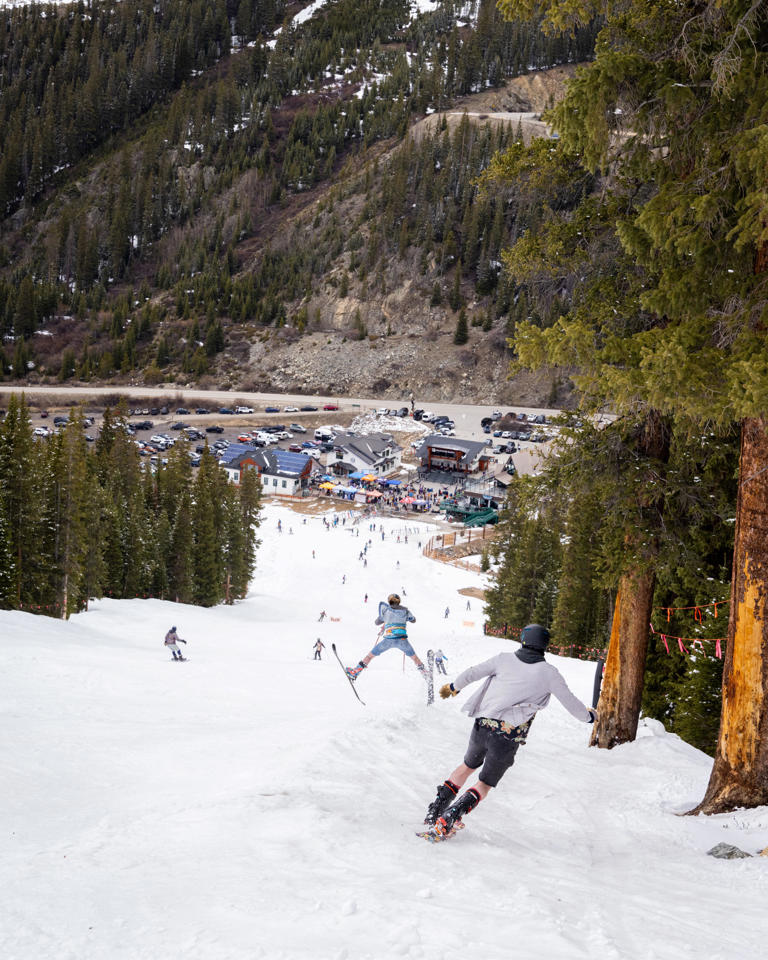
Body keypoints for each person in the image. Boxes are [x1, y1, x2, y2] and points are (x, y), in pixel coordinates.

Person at [421, 624, 596, 840]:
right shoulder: (549, 673)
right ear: (545, 645)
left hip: (483, 726)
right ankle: (449, 817)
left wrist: (453, 687)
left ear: (523, 639)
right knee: (484, 784)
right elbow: (571, 703)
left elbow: (472, 673)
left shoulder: (503, 659)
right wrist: (589, 717)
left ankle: (435, 811)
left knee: (467, 766)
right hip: (507, 737)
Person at [346, 594, 426, 680]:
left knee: (369, 656)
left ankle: (355, 672)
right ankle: (425, 674)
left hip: (388, 640)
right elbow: (413, 620)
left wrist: (386, 619)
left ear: (389, 601)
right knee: (415, 658)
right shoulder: (405, 611)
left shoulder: (386, 610)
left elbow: (376, 622)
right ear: (399, 601)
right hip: (402, 640)